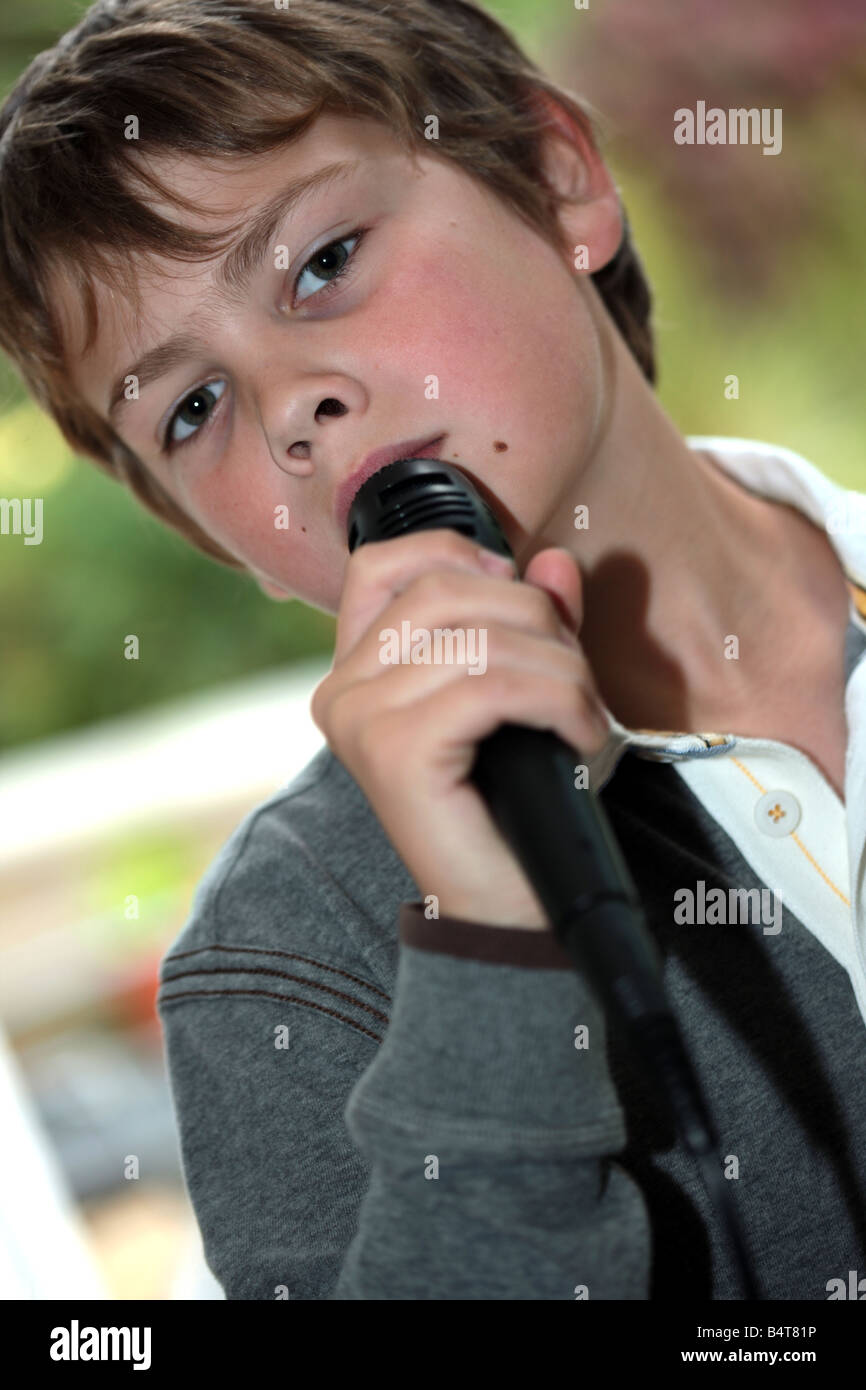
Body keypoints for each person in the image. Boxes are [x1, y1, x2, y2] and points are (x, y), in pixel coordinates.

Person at [2, 0, 865, 1300]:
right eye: (192, 408)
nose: (292, 406)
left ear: (560, 179)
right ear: (204, 536)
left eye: (321, 260)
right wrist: (490, 951)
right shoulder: (284, 962)